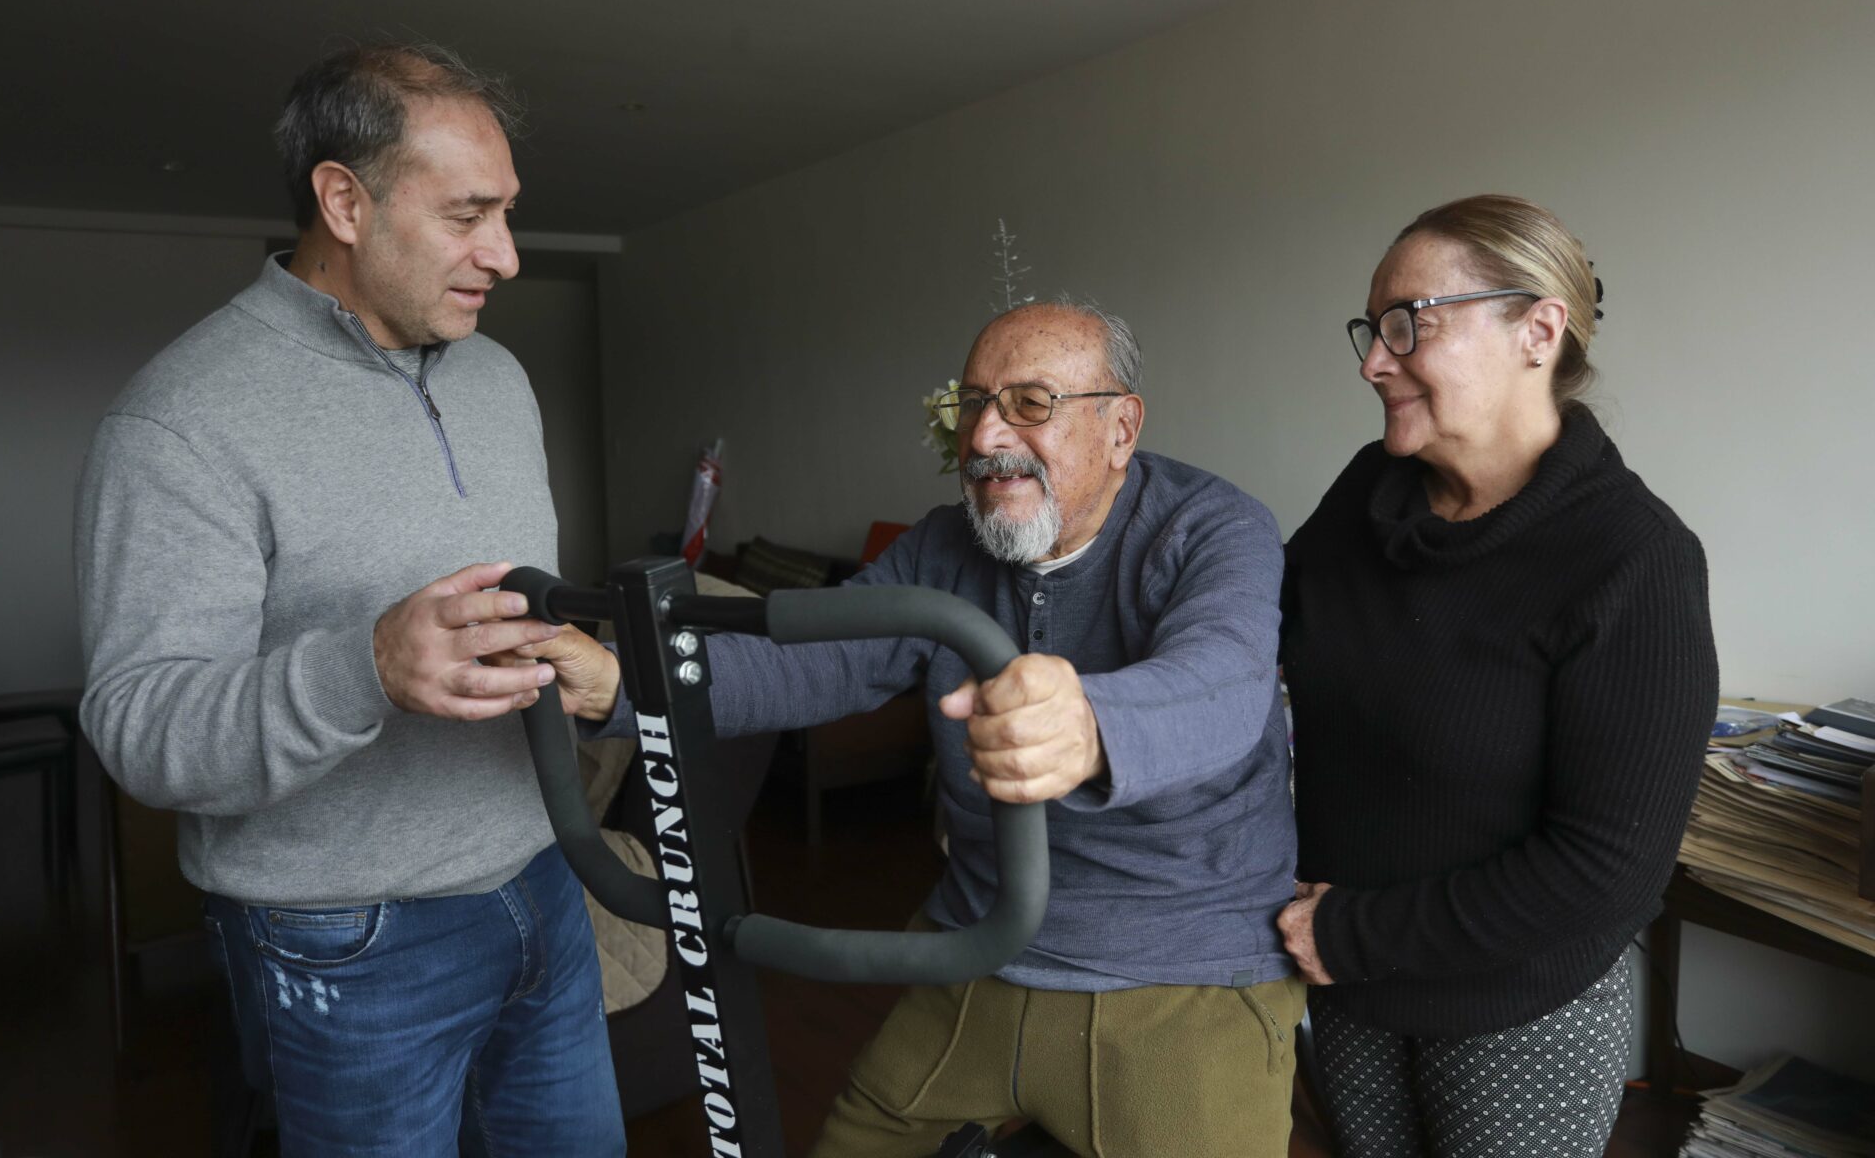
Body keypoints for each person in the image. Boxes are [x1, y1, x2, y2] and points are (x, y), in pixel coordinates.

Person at [544, 300, 1303, 1156]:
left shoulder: (1216, 526)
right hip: (980, 944)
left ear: (1120, 426)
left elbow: (1227, 679)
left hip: (1178, 971)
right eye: (973, 404)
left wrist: (1090, 724)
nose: (984, 437)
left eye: (1029, 403)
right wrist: (618, 682)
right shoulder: (943, 546)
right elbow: (818, 658)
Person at [74, 43, 625, 1157]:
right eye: (470, 215)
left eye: (509, 213)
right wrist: (364, 665)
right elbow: (140, 726)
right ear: (343, 200)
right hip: (344, 935)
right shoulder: (180, 420)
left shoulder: (499, 379)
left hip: (547, 880)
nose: (507, 256)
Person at [1276, 194, 1718, 1157]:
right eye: (1371, 327)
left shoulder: (1632, 561)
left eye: (1408, 325)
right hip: (1349, 981)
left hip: (1517, 1012)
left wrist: (1354, 935)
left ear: (1538, 331)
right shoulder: (1367, 494)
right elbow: (1257, 634)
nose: (1372, 360)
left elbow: (1606, 870)